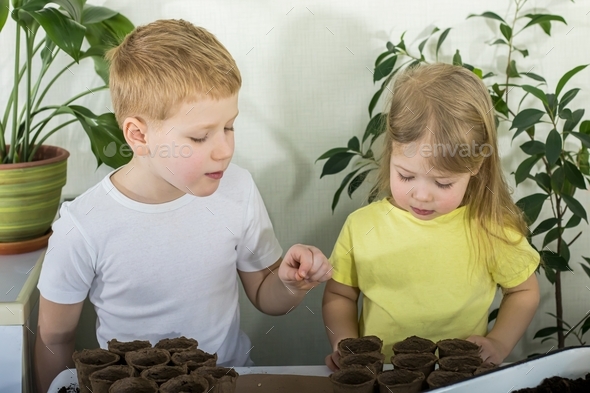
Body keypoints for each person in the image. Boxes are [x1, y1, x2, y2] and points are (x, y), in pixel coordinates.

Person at [34, 19, 332, 392]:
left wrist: (292, 284)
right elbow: (54, 338)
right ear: (139, 135)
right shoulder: (82, 226)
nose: (224, 149)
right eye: (200, 136)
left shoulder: (237, 188)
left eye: (229, 127)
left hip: (228, 381)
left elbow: (264, 295)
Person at [322, 63, 540, 370]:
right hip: (383, 377)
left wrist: (499, 342)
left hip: (461, 377)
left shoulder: (490, 228)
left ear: (475, 166)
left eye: (442, 183)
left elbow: (524, 291)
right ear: (392, 151)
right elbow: (339, 295)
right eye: (406, 176)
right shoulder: (362, 227)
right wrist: (345, 344)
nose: (422, 195)